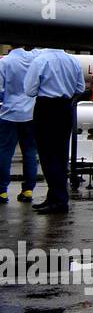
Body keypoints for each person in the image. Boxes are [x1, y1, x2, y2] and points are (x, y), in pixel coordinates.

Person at [24, 47, 85, 215]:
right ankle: (54, 197)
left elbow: (29, 90)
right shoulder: (73, 61)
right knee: (60, 154)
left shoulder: (40, 61)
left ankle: (58, 200)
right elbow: (80, 88)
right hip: (65, 108)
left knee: (48, 155)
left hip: (46, 108)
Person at [0, 46, 39, 204]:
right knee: (30, 152)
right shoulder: (36, 59)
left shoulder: (6, 62)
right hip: (31, 113)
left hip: (9, 113)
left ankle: (2, 191)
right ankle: (28, 190)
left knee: (4, 153)